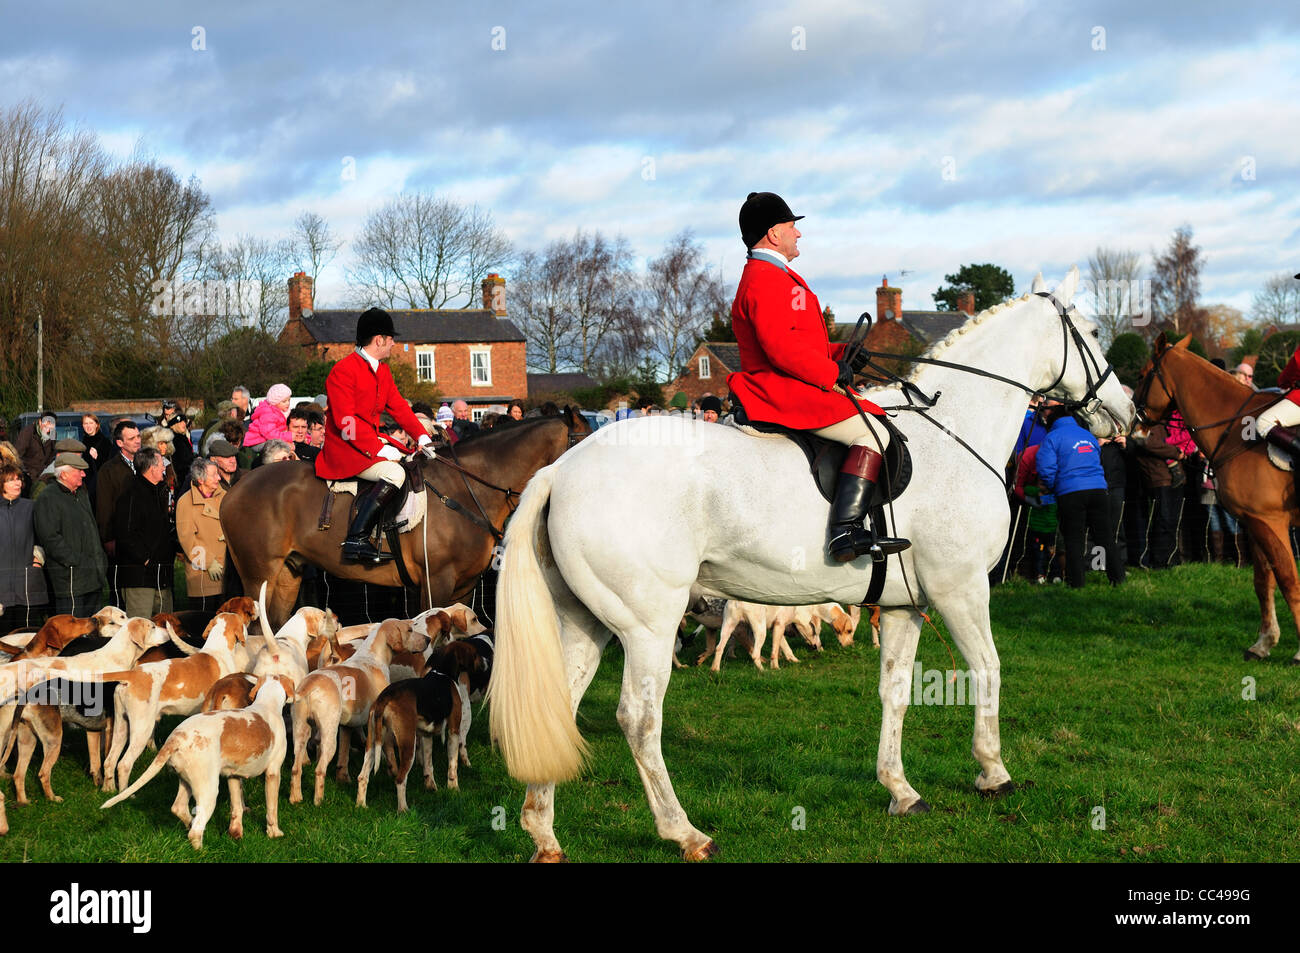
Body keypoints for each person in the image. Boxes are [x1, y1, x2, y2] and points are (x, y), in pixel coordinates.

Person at [727, 191, 908, 562]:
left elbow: (798, 340)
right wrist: (830, 371)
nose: (799, 234)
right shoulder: (765, 278)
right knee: (870, 431)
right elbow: (780, 348)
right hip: (777, 389)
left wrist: (844, 355)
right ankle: (844, 531)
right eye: (793, 226)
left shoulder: (773, 274)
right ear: (774, 233)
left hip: (792, 381)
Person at [317, 307, 433, 562]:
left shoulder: (383, 371)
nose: (394, 342)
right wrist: (378, 448)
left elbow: (399, 407)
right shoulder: (343, 370)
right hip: (345, 448)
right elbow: (345, 422)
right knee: (395, 473)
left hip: (369, 442)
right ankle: (356, 539)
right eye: (391, 338)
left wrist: (422, 435)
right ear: (379, 339)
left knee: (413, 463)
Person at [1035, 406, 1124, 587]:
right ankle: (1118, 578)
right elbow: (1096, 457)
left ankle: (1076, 583)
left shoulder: (1052, 438)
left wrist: (1054, 486)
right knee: (1105, 537)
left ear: (1052, 421)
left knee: (1074, 540)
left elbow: (1045, 468)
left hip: (1070, 492)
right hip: (1098, 490)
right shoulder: (1087, 435)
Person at [33, 452, 106, 618]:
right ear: (64, 474)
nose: (84, 474)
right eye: (78, 470)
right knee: (72, 636)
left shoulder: (81, 494)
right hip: (71, 581)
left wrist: (99, 560)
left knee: (93, 632)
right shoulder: (48, 497)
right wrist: (74, 561)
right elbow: (50, 538)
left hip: (93, 577)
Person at [112, 446, 175, 619]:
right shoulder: (131, 495)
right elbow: (125, 533)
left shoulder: (161, 492)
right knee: (141, 629)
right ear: (152, 468)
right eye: (162, 464)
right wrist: (145, 558)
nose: (164, 468)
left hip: (161, 576)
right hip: (139, 578)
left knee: (164, 628)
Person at [0, 462, 48, 633]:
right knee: (4, 639)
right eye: (11, 480)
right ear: (1, 484)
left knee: (25, 636)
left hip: (27, 583)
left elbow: (43, 537)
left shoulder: (31, 507)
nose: (18, 483)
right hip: (2, 587)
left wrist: (38, 560)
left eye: (19, 479)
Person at [175, 457, 227, 611]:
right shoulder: (185, 502)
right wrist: (209, 562)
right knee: (204, 623)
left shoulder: (225, 496)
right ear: (200, 479)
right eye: (214, 475)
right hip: (203, 575)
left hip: (226, 573)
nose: (219, 477)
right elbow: (188, 541)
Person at [244, 383, 294, 449]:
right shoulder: (268, 413)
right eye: (284, 401)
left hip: (268, 440)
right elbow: (270, 433)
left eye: (289, 400)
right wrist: (288, 437)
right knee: (283, 448)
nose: (288, 403)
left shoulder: (284, 412)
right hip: (257, 442)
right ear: (275, 402)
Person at [16, 412, 58, 486]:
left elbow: (53, 452)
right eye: (46, 423)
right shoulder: (27, 432)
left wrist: (45, 467)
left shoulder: (53, 433)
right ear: (40, 421)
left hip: (43, 475)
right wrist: (26, 472)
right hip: (28, 476)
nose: (48, 427)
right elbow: (17, 454)